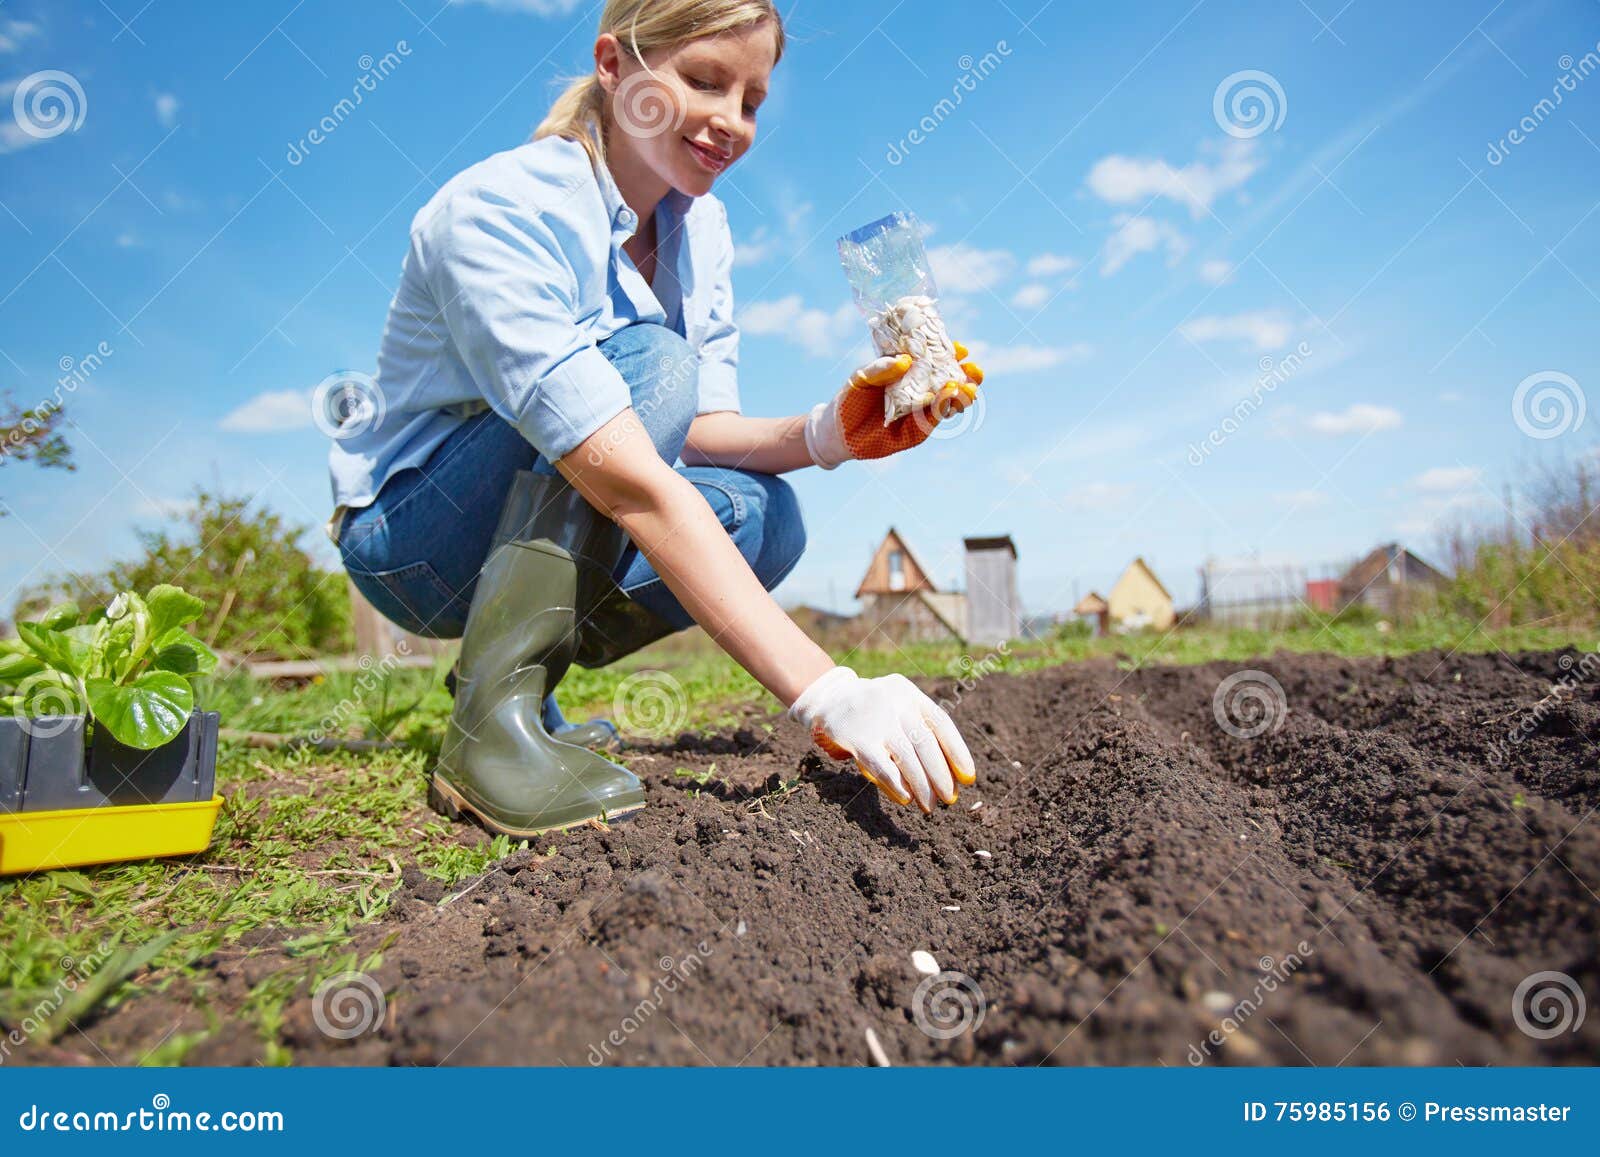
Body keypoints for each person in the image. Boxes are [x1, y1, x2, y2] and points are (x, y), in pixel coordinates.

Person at [324, 0, 985, 837]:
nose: (730, 123)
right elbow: (632, 472)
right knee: (653, 360)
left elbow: (695, 425)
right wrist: (828, 689)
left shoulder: (699, 226)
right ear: (613, 66)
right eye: (704, 80)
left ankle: (522, 687)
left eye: (751, 100)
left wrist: (831, 433)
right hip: (412, 539)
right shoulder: (501, 211)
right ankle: (488, 729)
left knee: (764, 517)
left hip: (548, 485)